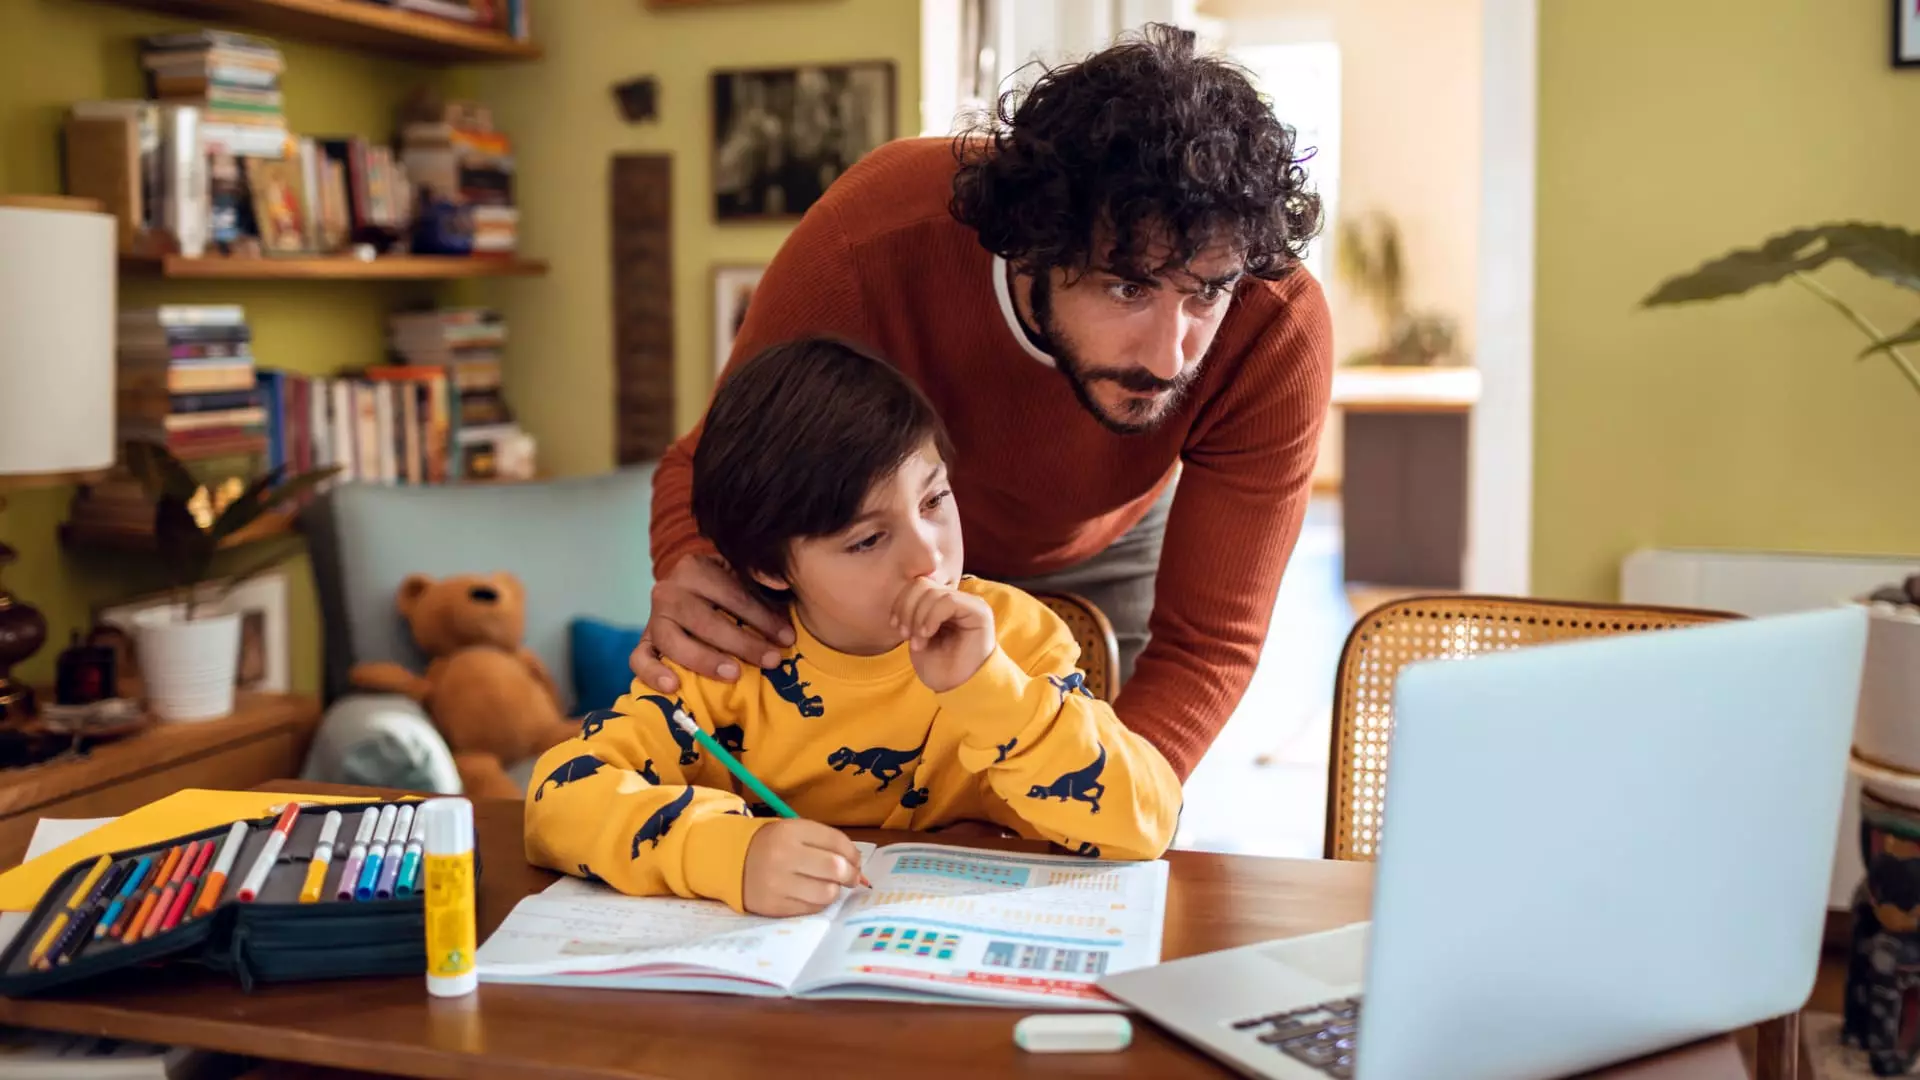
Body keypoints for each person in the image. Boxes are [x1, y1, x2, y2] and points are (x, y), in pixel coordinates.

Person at [636, 24, 1333, 783]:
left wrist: (1106, 810)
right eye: (1127, 287)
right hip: (877, 551)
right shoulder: (869, 241)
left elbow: (1206, 646)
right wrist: (694, 565)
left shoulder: (1276, 327)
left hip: (1110, 546)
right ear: (1034, 245)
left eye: (1207, 294)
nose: (1171, 357)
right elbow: (707, 467)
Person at [526, 338, 1181, 916]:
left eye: (934, 499)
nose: (928, 556)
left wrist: (994, 692)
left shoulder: (1016, 638)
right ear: (770, 567)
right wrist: (728, 854)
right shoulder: (723, 661)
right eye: (868, 540)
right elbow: (558, 798)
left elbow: (1148, 823)